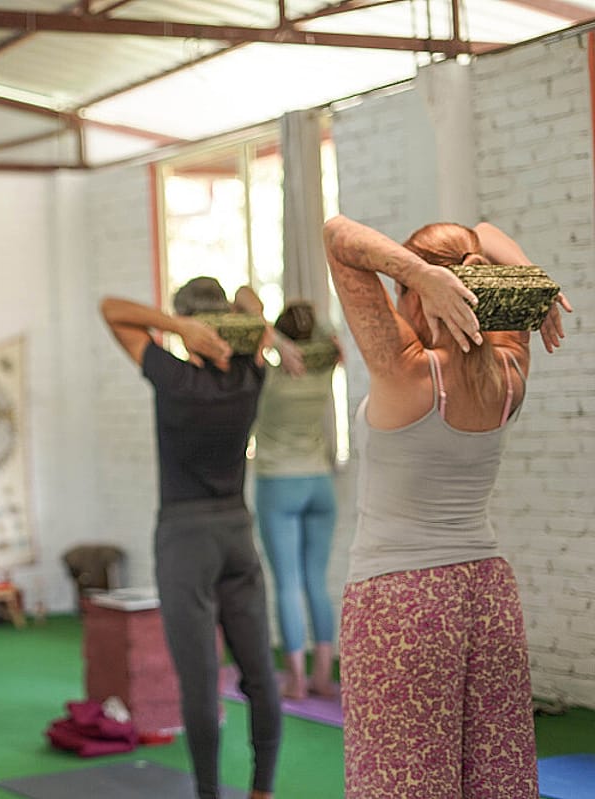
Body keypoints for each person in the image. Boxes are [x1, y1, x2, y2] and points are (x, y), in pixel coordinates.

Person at [323, 214, 571, 798]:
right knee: (496, 782)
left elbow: (337, 235)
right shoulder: (510, 369)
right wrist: (531, 287)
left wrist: (417, 273)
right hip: (487, 593)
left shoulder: (405, 371)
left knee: (404, 783)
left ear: (418, 295)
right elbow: (485, 230)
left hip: (401, 602)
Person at [100, 278, 282, 799]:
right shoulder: (251, 375)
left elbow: (111, 307)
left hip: (184, 540)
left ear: (190, 327)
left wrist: (178, 327)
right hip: (236, 533)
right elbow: (252, 299)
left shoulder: (174, 377)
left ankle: (208, 793)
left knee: (201, 681)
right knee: (258, 673)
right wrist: (237, 323)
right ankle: (262, 790)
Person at [252, 300, 340, 699]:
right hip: (319, 482)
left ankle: (296, 681)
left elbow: (244, 300)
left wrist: (275, 343)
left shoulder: (267, 376)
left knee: (287, 583)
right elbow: (334, 339)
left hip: (279, 484)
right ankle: (322, 675)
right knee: (314, 582)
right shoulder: (325, 368)